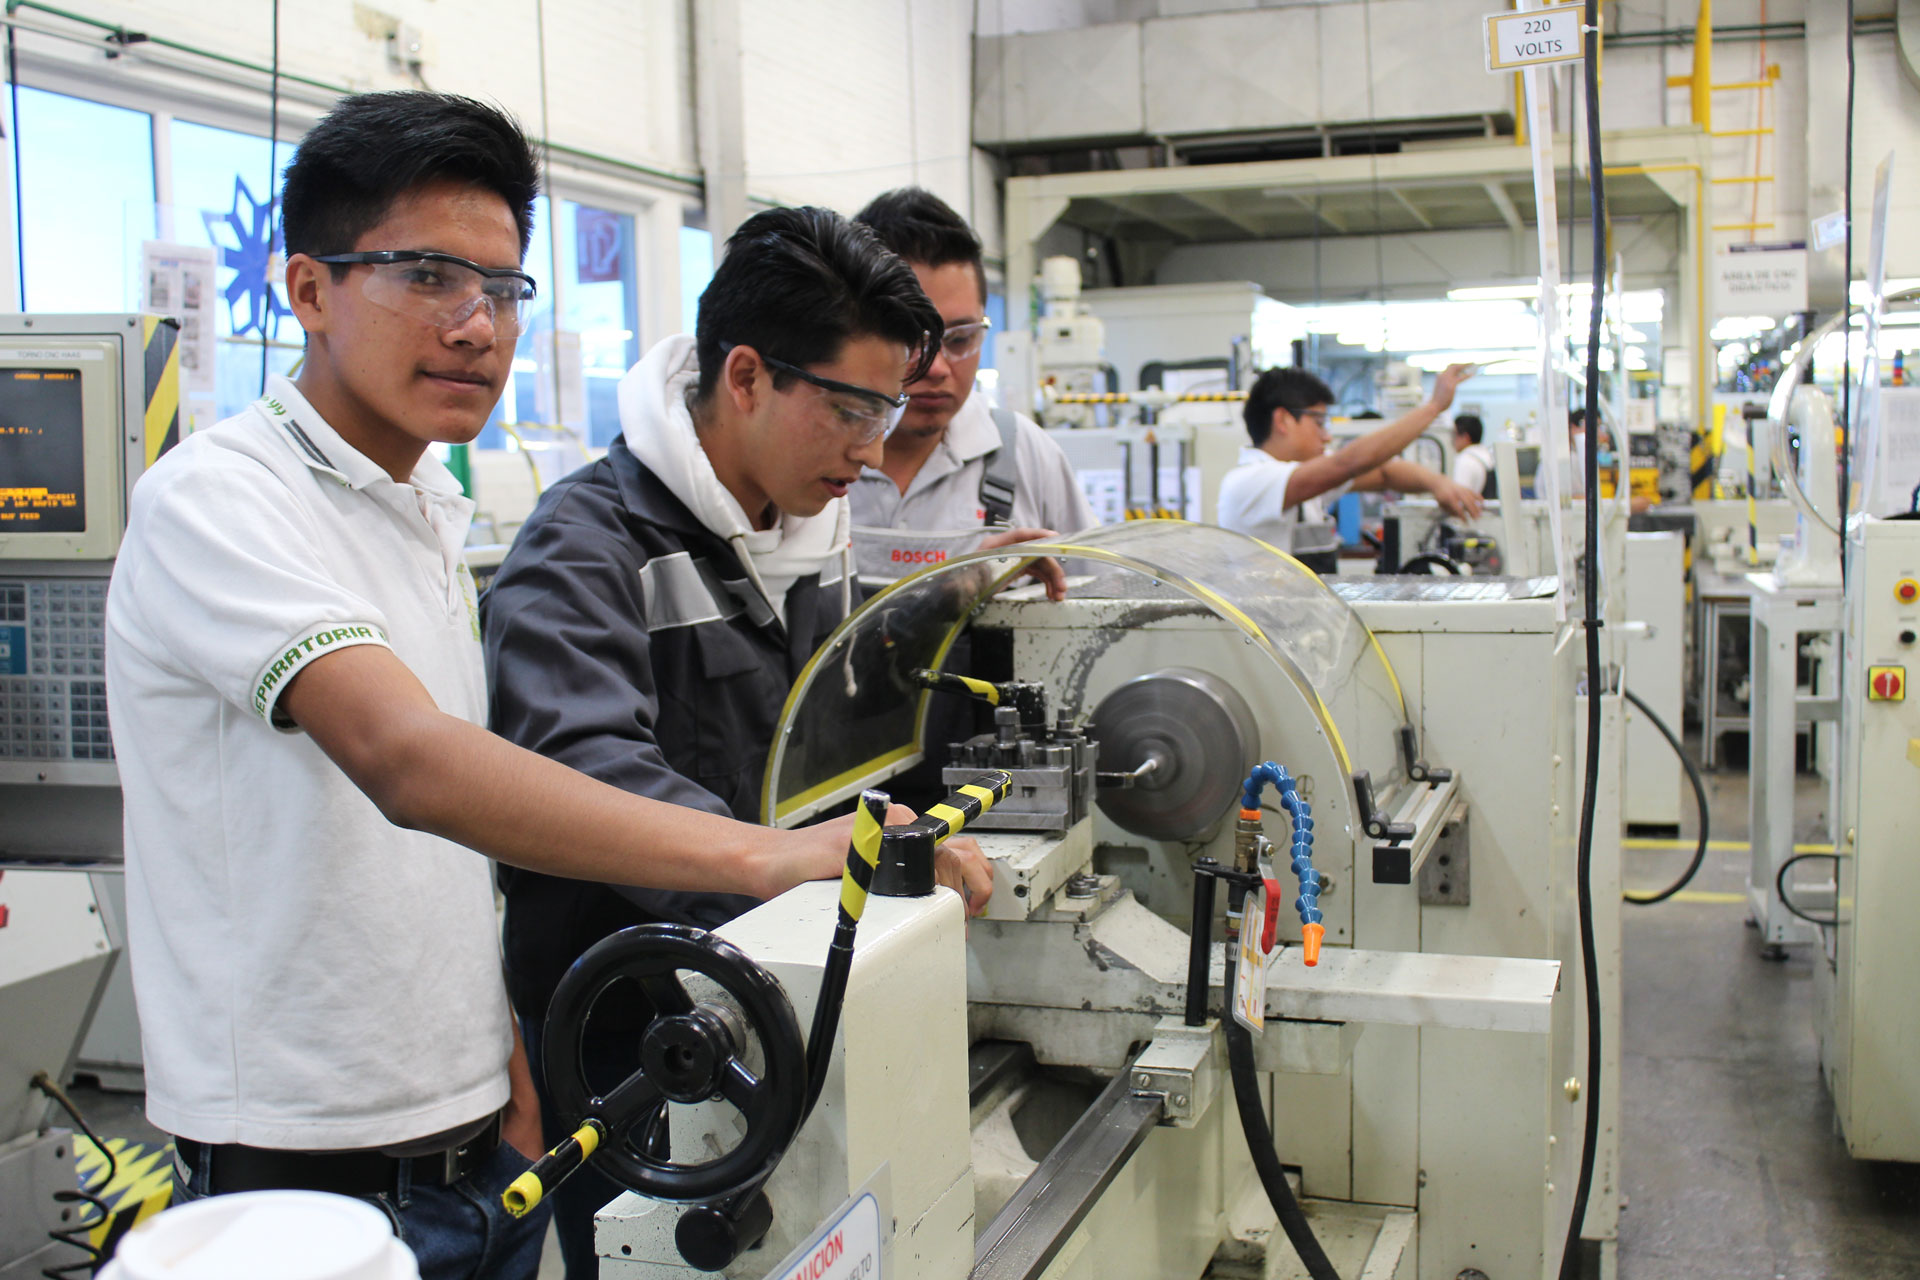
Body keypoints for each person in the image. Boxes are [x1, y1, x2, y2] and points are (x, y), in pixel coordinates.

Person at [103, 94, 861, 1280]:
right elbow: (409, 765)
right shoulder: (218, 498)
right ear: (308, 290)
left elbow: (442, 858)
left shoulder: (424, 517)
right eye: (427, 277)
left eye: (505, 290)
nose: (476, 326)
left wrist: (500, 1052)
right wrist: (761, 856)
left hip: (476, 1141)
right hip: (302, 1170)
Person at [481, 205, 996, 1278]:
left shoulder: (810, 535)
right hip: (633, 1044)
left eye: (888, 406)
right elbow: (587, 772)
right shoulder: (583, 550)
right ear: (750, 375)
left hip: (785, 1007)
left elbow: (835, 742)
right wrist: (812, 882)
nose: (874, 444)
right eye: (854, 406)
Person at [850, 187, 1097, 598]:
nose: (939, 367)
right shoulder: (814, 462)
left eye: (961, 338)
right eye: (911, 339)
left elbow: (1100, 595)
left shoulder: (1022, 454)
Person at [1216, 365, 1482, 574]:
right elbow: (1348, 463)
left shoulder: (1302, 483)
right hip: (1261, 637)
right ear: (1283, 420)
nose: (1326, 436)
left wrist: (1437, 482)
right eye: (1319, 423)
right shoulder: (1249, 481)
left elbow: (1385, 472)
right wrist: (1434, 407)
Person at [1452, 414, 1497, 497]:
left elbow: (1459, 498)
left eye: (1454, 435)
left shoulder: (1465, 460)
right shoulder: (1488, 456)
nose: (1452, 440)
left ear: (1466, 437)